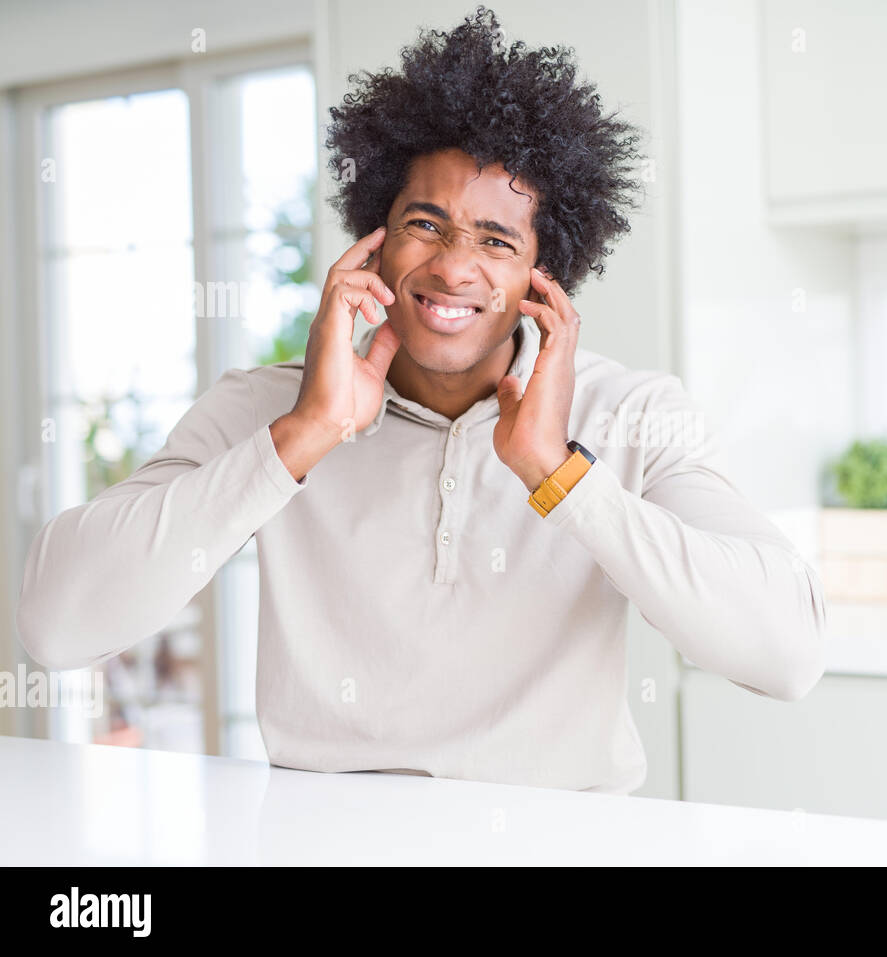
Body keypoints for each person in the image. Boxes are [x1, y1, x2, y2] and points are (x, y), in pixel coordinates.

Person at [16, 6, 825, 794]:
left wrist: (558, 473)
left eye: (497, 240)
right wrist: (306, 434)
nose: (452, 268)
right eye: (425, 224)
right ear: (374, 237)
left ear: (547, 276)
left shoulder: (635, 413)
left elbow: (786, 654)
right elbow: (57, 625)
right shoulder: (261, 409)